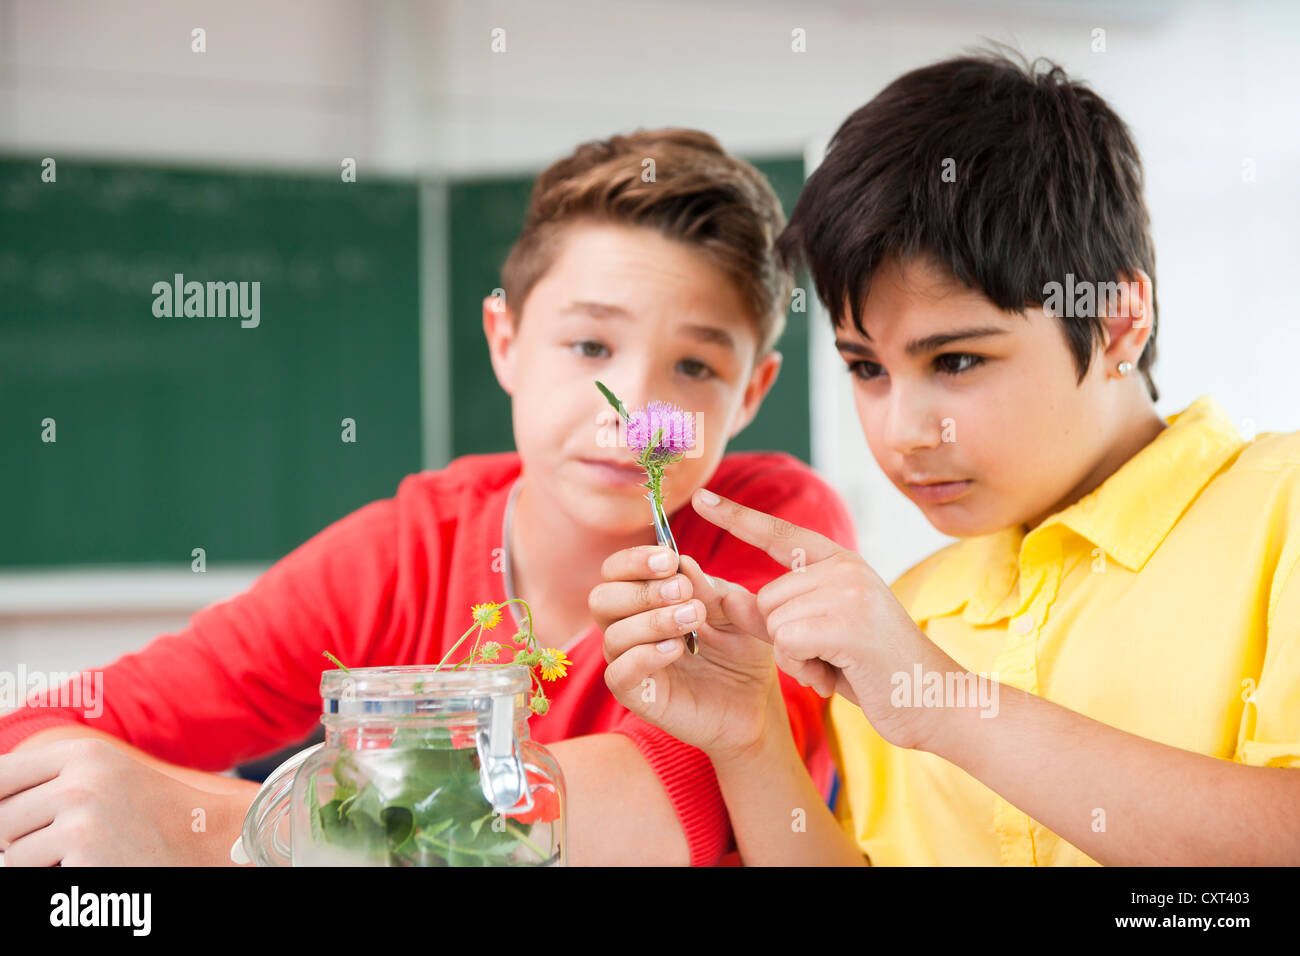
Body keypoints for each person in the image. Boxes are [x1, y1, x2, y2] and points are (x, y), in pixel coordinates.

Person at [0, 128, 857, 866]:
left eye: (696, 367)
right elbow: (44, 736)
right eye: (590, 344)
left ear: (752, 392)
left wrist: (223, 825)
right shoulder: (406, 553)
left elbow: (662, 814)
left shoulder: (765, 533)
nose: (635, 413)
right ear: (507, 341)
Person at [591, 51, 1300, 865]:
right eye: (867, 368)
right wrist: (750, 740)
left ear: (1117, 322)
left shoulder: (1281, 512)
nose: (903, 432)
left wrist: (949, 705)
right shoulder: (909, 616)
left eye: (956, 361)